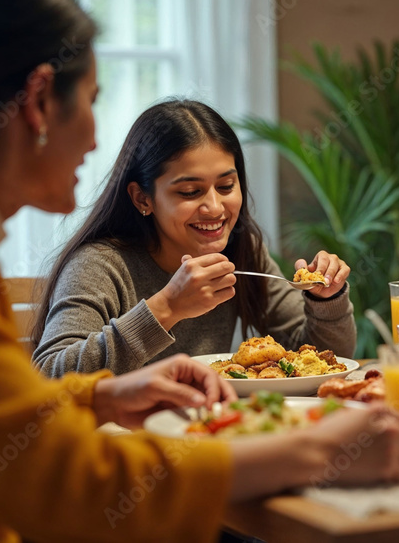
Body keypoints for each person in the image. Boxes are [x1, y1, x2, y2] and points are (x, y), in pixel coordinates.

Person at [0, 0, 399, 542]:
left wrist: (100, 395)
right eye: (93, 101)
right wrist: (309, 452)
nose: (98, 139)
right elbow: (60, 480)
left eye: (226, 184)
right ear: (39, 101)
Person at [31, 99, 357, 377]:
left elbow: (328, 361)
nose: (215, 207)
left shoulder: (243, 251)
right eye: (190, 191)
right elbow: (50, 376)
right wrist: (166, 308)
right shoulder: (99, 265)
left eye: (226, 186)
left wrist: (325, 300)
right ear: (142, 198)